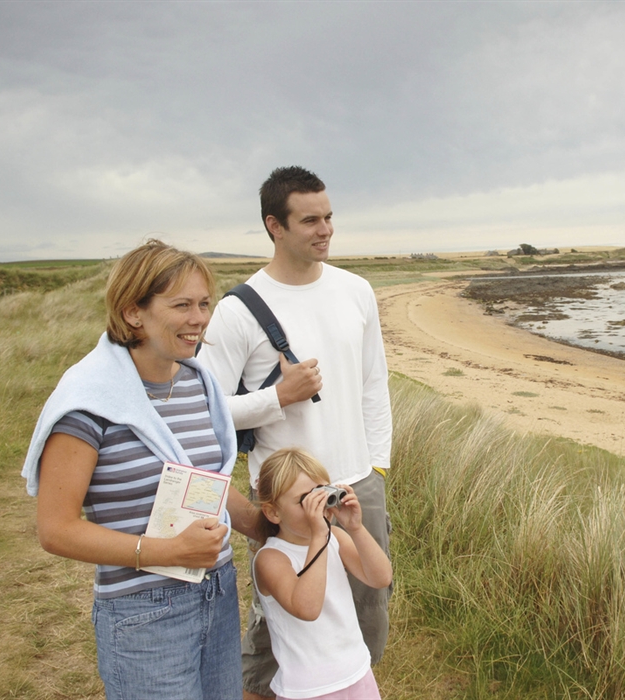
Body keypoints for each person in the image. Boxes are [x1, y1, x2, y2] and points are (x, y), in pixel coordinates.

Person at [20, 239, 261, 700]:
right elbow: (55, 530)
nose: (199, 318)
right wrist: (168, 552)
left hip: (218, 592)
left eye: (205, 304)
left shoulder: (198, 383)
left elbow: (204, 482)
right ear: (134, 312)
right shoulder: (89, 402)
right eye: (182, 305)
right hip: (143, 614)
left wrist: (270, 525)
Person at [198, 166, 393, 700]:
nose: (325, 229)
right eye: (310, 220)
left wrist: (377, 467)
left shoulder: (356, 290)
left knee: (368, 609)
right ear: (274, 226)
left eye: (328, 217)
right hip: (285, 496)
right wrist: (277, 398)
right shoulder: (237, 311)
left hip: (356, 483)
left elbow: (374, 384)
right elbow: (206, 410)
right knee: (278, 626)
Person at [253, 448, 393, 700]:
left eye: (322, 492)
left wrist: (355, 528)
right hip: (309, 689)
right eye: (305, 500)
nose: (318, 505)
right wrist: (319, 535)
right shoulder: (271, 558)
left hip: (357, 672)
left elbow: (381, 578)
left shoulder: (335, 537)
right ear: (273, 512)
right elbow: (307, 608)